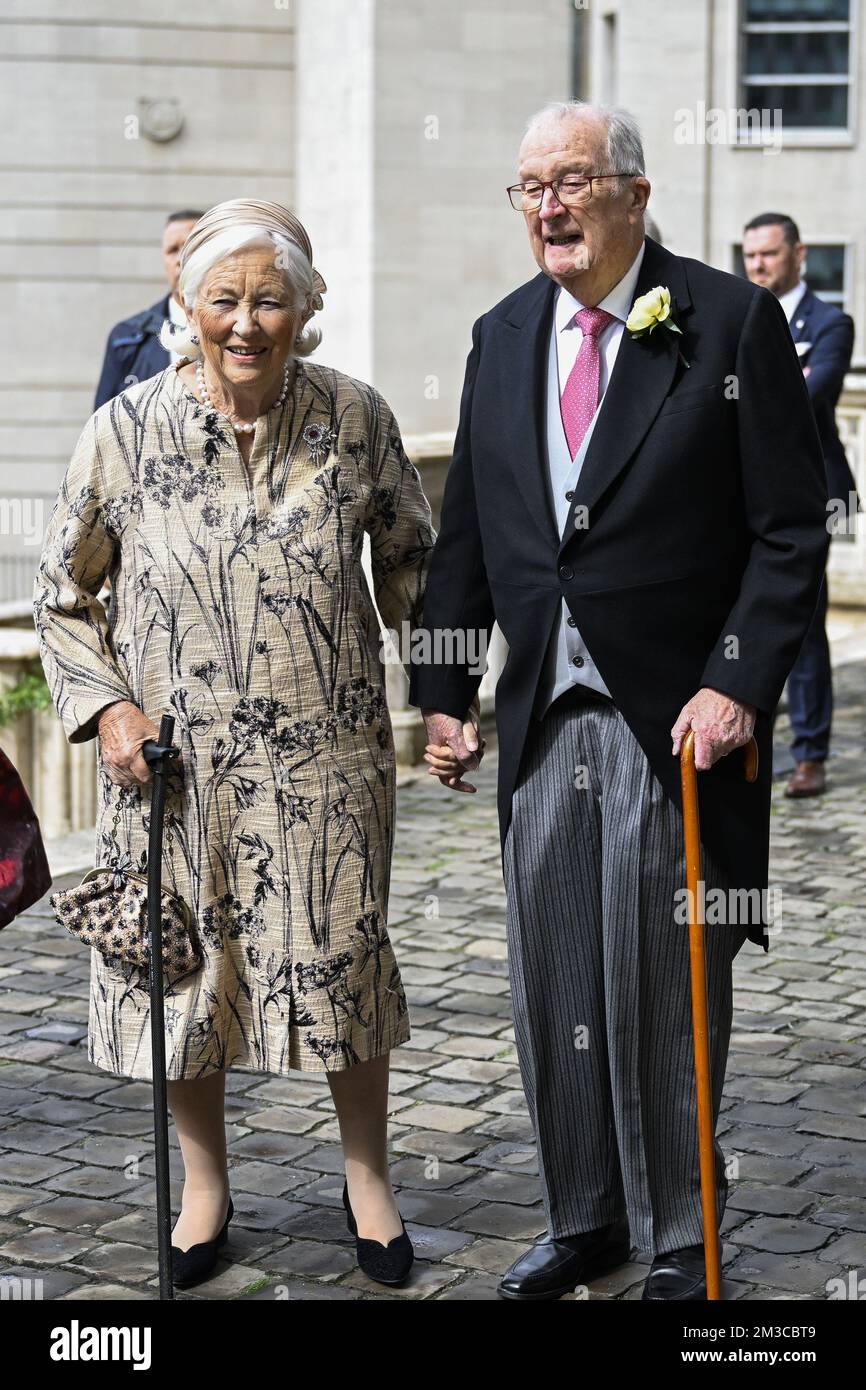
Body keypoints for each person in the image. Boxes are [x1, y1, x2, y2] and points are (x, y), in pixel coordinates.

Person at [410, 103, 828, 1301]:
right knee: (553, 981)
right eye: (528, 183)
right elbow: (469, 540)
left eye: (572, 179)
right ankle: (583, 1215)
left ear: (632, 195)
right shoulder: (500, 336)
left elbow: (786, 530)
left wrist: (737, 680)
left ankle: (681, 1233)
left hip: (669, 719)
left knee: (663, 981)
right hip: (544, 713)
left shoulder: (727, 321)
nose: (547, 203)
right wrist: (442, 688)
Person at [34, 199, 438, 1290]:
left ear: (305, 308)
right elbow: (59, 595)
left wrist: (448, 689)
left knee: (342, 966)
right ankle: (204, 1193)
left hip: (328, 763)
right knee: (184, 979)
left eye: (271, 297)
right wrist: (110, 712)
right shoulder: (120, 430)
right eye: (225, 298)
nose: (247, 320)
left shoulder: (356, 418)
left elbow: (413, 563)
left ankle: (369, 1186)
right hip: (173, 774)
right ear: (187, 304)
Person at [742, 212, 857, 798]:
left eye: (769, 254)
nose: (758, 264)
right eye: (751, 255)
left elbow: (814, 394)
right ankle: (751, 732)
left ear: (798, 254)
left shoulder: (832, 322)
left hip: (813, 494)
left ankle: (810, 753)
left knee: (806, 620)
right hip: (740, 494)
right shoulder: (734, 317)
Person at [93, 209, 204, 409]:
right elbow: (101, 426)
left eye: (190, 248)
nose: (180, 260)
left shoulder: (240, 330)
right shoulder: (126, 338)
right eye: (172, 250)